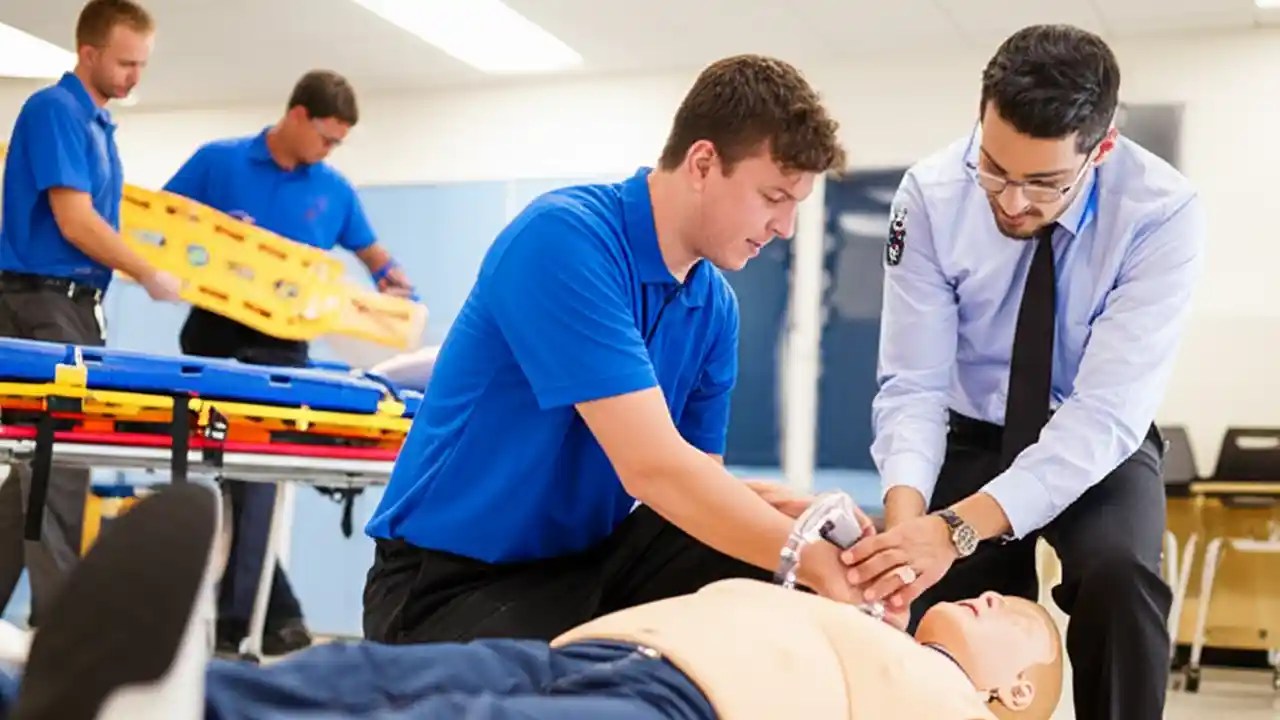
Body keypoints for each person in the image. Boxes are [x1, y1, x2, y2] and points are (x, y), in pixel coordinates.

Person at [361, 54, 855, 645]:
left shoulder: (715, 308)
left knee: (773, 555)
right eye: (774, 196)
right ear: (703, 163)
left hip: (582, 569)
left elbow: (698, 487)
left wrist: (816, 524)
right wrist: (807, 557)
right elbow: (652, 469)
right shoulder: (563, 239)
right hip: (447, 586)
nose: (786, 227)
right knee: (793, 560)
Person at [5, 482, 1064, 720]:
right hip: (597, 650)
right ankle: (129, 695)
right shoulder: (875, 624)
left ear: (1015, 691)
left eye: (999, 617)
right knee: (368, 674)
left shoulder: (954, 707)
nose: (976, 603)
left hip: (679, 711)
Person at [844, 24, 1205, 720]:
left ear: (1099, 151)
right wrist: (909, 536)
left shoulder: (1163, 213)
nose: (1011, 202)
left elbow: (1104, 414)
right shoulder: (929, 195)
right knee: (933, 612)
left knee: (1119, 578)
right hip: (972, 431)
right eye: (995, 169)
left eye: (1043, 183)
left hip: (1095, 439)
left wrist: (955, 530)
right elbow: (913, 385)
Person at [159, 69, 415, 656]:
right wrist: (216, 241)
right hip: (214, 339)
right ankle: (264, 617)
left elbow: (376, 258)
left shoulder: (334, 189)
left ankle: (244, 624)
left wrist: (392, 284)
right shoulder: (216, 163)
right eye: (326, 137)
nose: (330, 151)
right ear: (297, 116)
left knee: (259, 489)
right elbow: (159, 225)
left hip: (284, 350)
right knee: (219, 488)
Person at [0, 0, 181, 626]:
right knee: (59, 465)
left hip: (75, 306)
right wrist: (147, 271)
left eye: (143, 64)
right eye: (127, 62)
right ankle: (64, 634)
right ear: (89, 53)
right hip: (40, 302)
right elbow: (75, 222)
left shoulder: (100, 126)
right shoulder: (56, 110)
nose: (136, 76)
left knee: (32, 475)